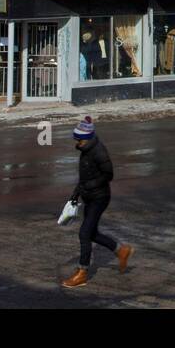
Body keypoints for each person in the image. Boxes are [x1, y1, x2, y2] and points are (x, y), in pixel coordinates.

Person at [61, 117, 134, 288]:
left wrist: (90, 185)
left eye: (79, 139)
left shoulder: (99, 151)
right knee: (92, 233)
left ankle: (82, 273)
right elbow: (85, 176)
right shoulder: (85, 150)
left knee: (84, 233)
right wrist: (76, 193)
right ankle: (122, 251)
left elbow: (108, 175)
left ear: (87, 138)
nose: (77, 143)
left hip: (99, 198)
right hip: (89, 196)